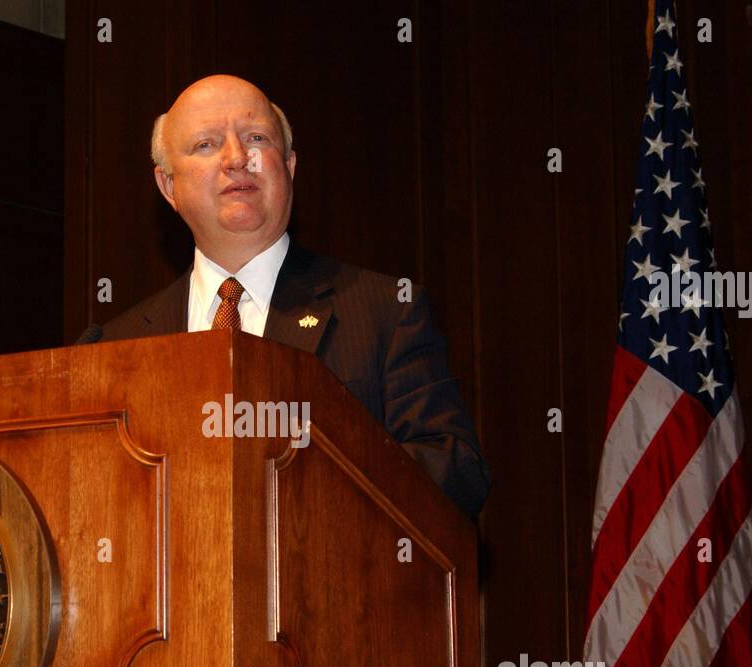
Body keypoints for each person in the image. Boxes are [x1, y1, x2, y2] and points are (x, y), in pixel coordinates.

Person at [76, 75, 490, 519]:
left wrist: (308, 467)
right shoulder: (114, 349)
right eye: (206, 145)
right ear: (168, 186)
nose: (238, 159)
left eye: (256, 138)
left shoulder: (385, 313)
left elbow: (457, 474)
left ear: (289, 166)